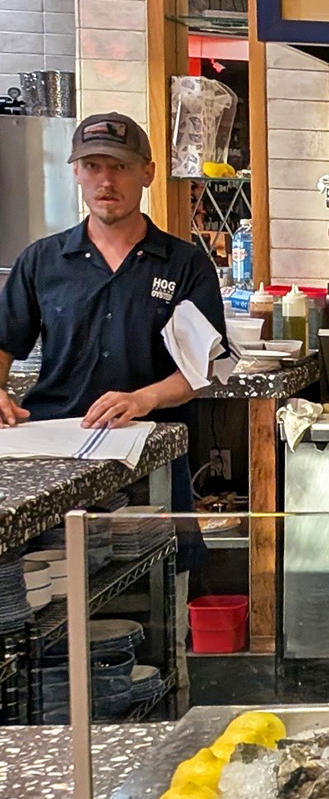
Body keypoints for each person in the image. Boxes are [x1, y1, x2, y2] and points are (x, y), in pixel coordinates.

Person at [0, 111, 227, 623]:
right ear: (75, 172)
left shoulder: (183, 264)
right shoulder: (42, 261)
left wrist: (142, 399)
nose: (106, 181)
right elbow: (4, 338)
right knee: (43, 600)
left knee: (157, 592)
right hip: (52, 451)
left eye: (120, 168)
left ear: (147, 172)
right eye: (94, 166)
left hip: (147, 454)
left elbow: (199, 371)